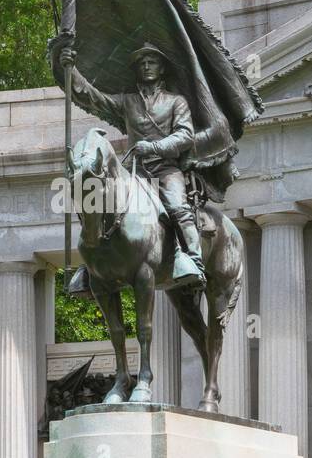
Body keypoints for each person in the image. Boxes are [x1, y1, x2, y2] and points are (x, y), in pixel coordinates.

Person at [58, 41, 205, 291]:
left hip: (165, 169)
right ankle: (90, 267)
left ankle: (193, 260)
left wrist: (155, 147)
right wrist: (70, 69)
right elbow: (93, 97)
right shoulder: (127, 101)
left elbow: (185, 136)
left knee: (178, 207)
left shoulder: (176, 102)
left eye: (152, 62)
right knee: (94, 200)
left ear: (162, 68)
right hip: (133, 171)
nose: (147, 66)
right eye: (142, 63)